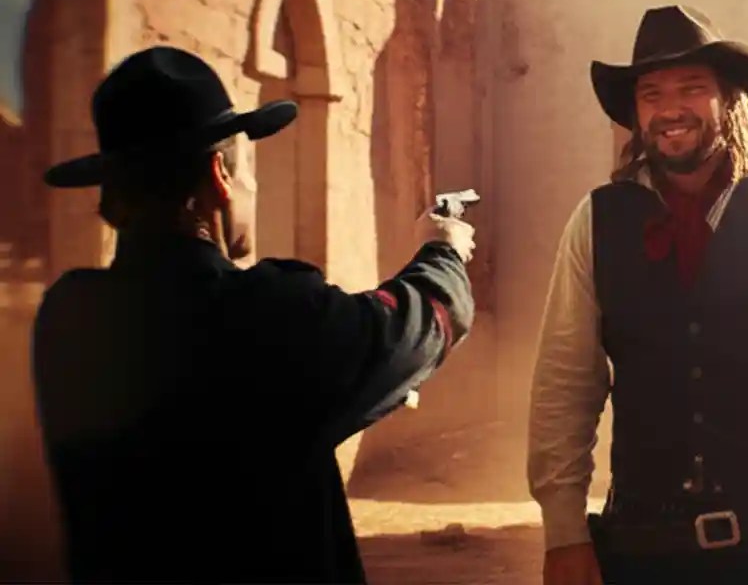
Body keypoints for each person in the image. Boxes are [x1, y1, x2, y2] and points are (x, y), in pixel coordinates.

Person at [31, 46, 476, 583]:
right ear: (220, 174)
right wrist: (441, 247)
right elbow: (420, 321)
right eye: (247, 167)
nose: (252, 186)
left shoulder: (69, 315)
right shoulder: (269, 315)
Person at [527, 5, 748, 585]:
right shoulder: (596, 220)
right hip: (642, 547)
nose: (669, 109)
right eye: (651, 94)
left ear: (730, 100)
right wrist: (564, 533)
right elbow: (564, 385)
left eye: (692, 89)